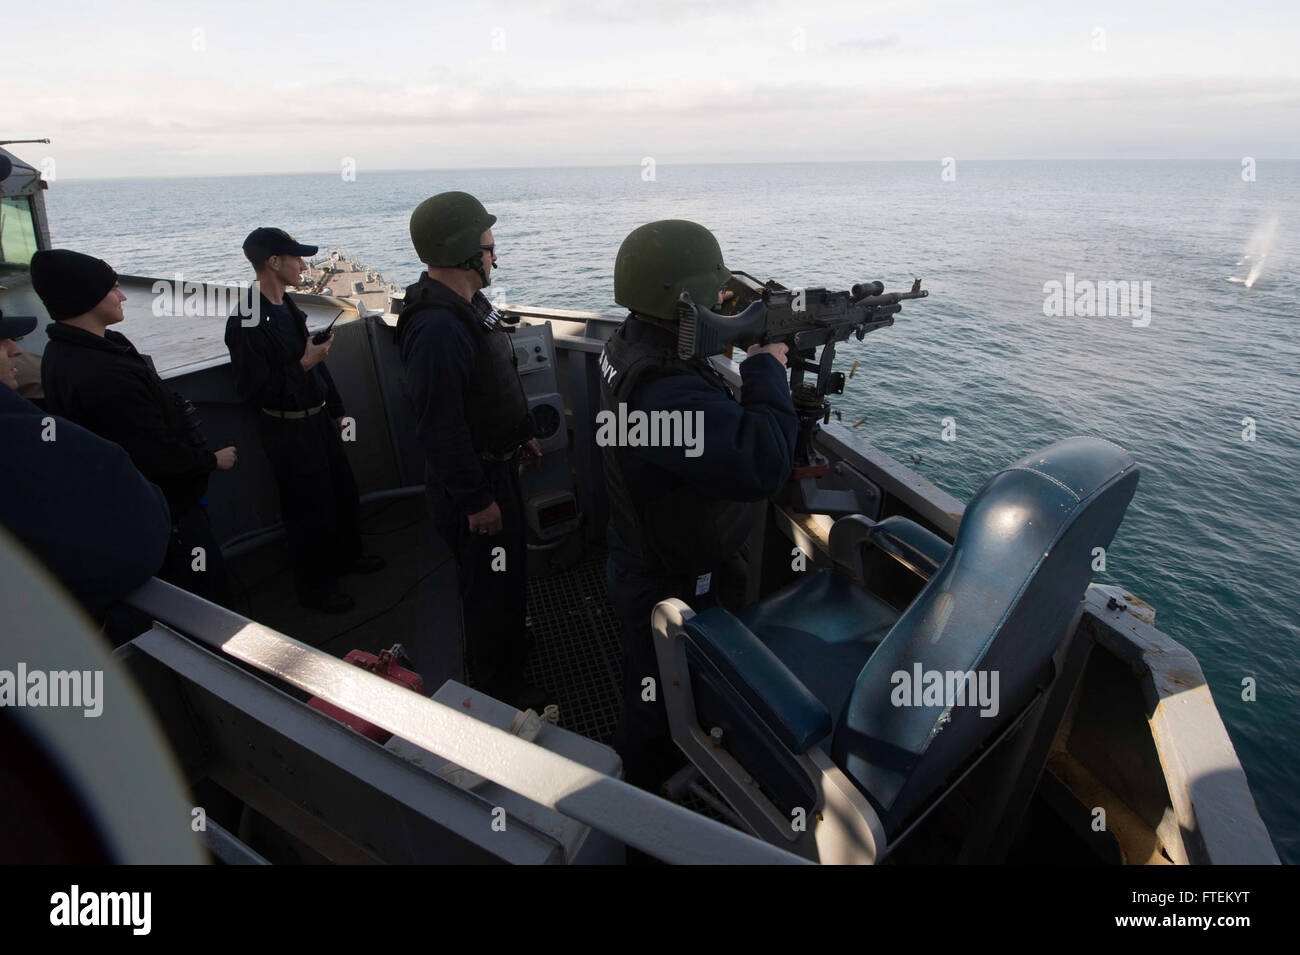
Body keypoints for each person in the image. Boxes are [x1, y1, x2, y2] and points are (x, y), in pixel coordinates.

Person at [598, 219, 797, 791]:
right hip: (669, 577)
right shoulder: (662, 389)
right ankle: (644, 815)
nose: (722, 294)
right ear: (682, 298)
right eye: (712, 288)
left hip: (649, 544)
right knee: (658, 703)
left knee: (657, 684)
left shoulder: (634, 343)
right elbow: (763, 462)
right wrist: (766, 362)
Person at [395, 191, 546, 711]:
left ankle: (509, 650)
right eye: (487, 247)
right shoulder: (437, 328)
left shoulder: (468, 306)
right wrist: (477, 500)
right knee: (488, 589)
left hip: (495, 467)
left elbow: (493, 376)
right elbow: (439, 427)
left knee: (506, 580)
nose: (494, 256)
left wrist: (521, 430)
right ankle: (500, 689)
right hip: (475, 483)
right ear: (463, 252)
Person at [32, 250, 236, 608]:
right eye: (112, 288)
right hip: (168, 518)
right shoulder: (100, 373)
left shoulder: (77, 352)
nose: (123, 295)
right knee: (202, 601)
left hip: (151, 513)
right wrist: (210, 460)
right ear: (87, 297)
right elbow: (150, 452)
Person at [224, 227, 383, 614]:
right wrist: (304, 364)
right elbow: (255, 391)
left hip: (316, 420)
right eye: (296, 258)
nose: (304, 264)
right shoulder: (246, 319)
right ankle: (316, 589)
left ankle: (348, 557)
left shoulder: (287, 306)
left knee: (341, 492)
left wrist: (337, 408)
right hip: (287, 429)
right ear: (273, 263)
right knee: (306, 511)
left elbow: (310, 362)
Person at [0, 307, 172, 625]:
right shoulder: (22, 439)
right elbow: (138, 543)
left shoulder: (58, 354)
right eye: (2, 341)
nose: (16, 349)